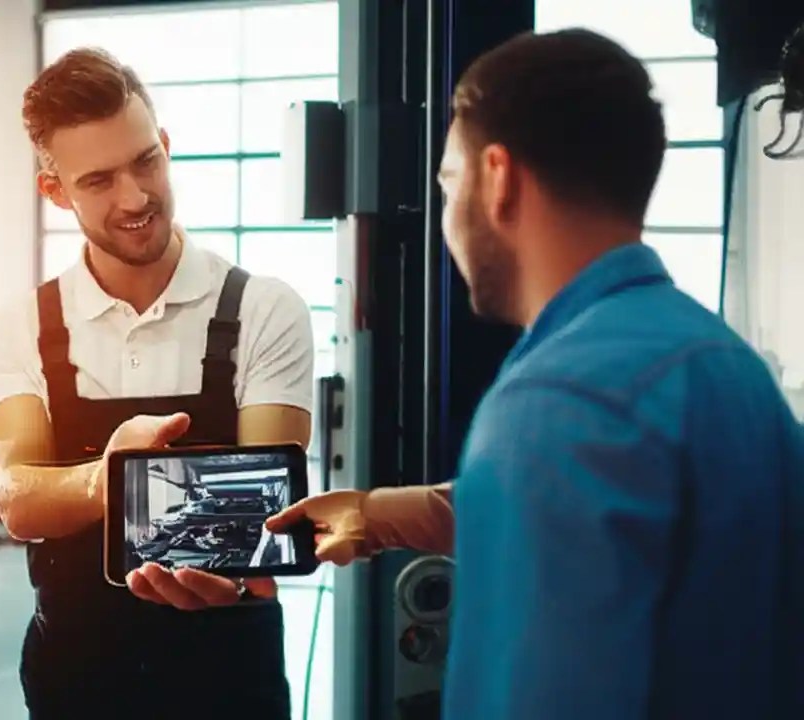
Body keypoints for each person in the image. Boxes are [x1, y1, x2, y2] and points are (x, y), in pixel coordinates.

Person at [268, 28, 804, 720]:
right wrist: (373, 516)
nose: (447, 219)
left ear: (498, 178)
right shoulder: (728, 370)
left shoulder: (554, 407)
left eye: (447, 183)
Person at [0, 47, 315, 719]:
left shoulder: (264, 309)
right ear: (56, 191)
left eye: (146, 161)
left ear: (165, 144)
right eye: (99, 180)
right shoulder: (21, 327)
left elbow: (267, 510)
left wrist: (232, 567)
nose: (135, 197)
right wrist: (110, 478)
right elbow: (18, 501)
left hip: (229, 674)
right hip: (76, 679)